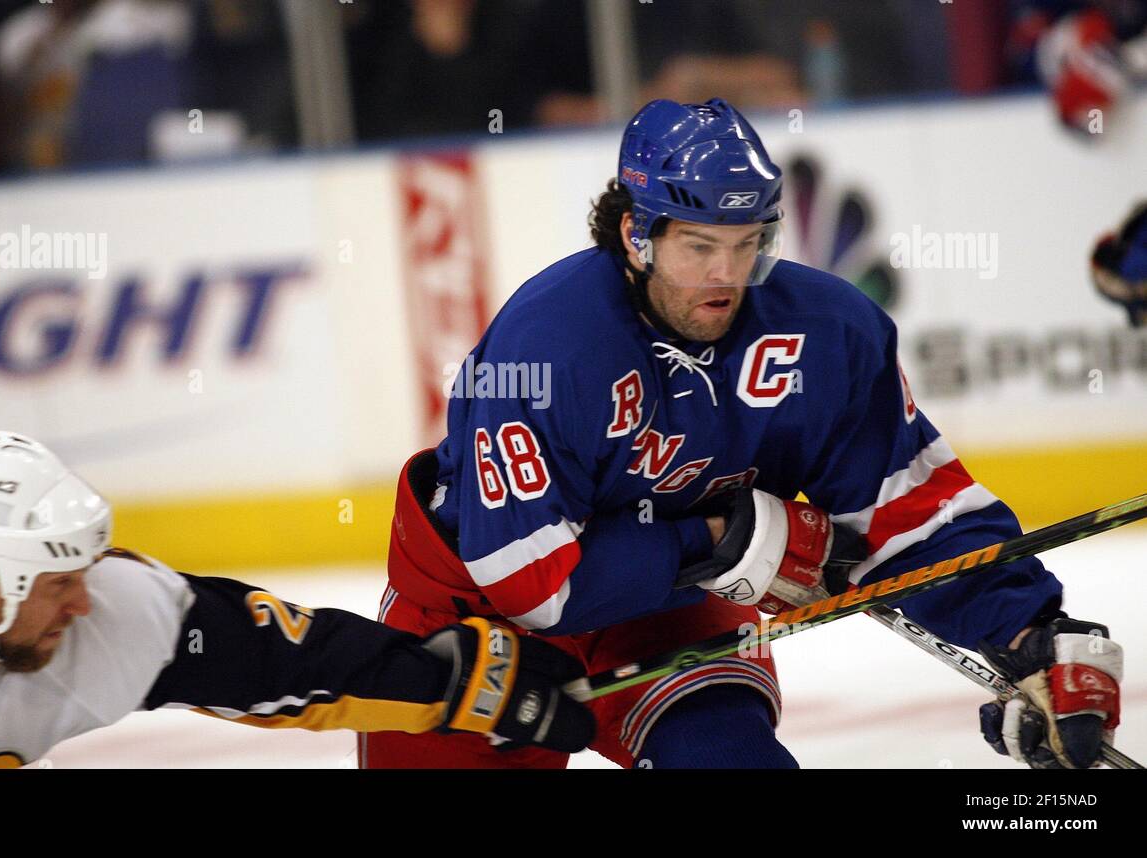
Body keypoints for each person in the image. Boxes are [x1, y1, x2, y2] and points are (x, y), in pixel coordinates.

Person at [362, 98, 1125, 770]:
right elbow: (532, 584)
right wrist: (726, 538)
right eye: (699, 246)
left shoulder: (826, 334)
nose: (727, 274)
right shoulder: (549, 344)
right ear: (637, 236)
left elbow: (910, 511)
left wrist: (1031, 632)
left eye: (749, 242)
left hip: (663, 608)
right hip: (473, 617)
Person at [0, 431, 593, 768]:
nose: (85, 604)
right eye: (60, 584)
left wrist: (451, 683)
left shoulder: (109, 613)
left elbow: (280, 660)